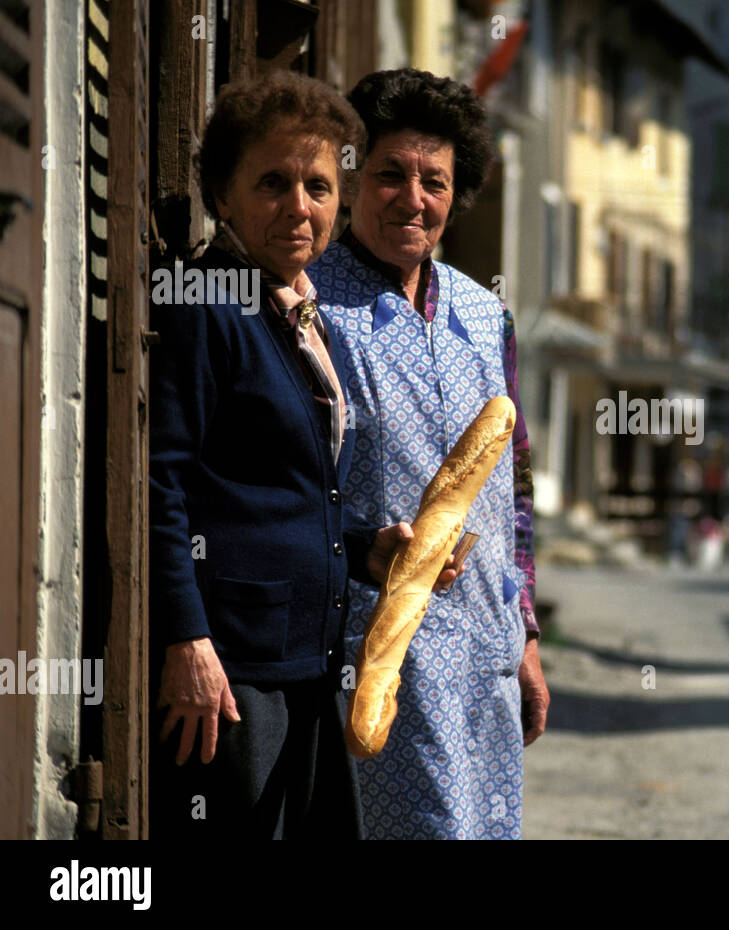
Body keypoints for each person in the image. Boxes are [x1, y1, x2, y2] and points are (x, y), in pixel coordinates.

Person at [148, 71, 410, 838]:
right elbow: (164, 484)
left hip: (307, 665)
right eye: (273, 182)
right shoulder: (210, 306)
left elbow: (283, 491)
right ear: (222, 194)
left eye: (319, 186)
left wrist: (367, 554)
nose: (300, 207)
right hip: (233, 674)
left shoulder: (294, 309)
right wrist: (187, 639)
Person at [311, 68, 548, 839]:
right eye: (390, 175)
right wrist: (357, 551)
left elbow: (513, 485)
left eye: (434, 181)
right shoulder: (312, 301)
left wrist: (528, 634)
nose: (413, 199)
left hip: (487, 649)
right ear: (352, 179)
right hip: (381, 660)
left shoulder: (485, 316)